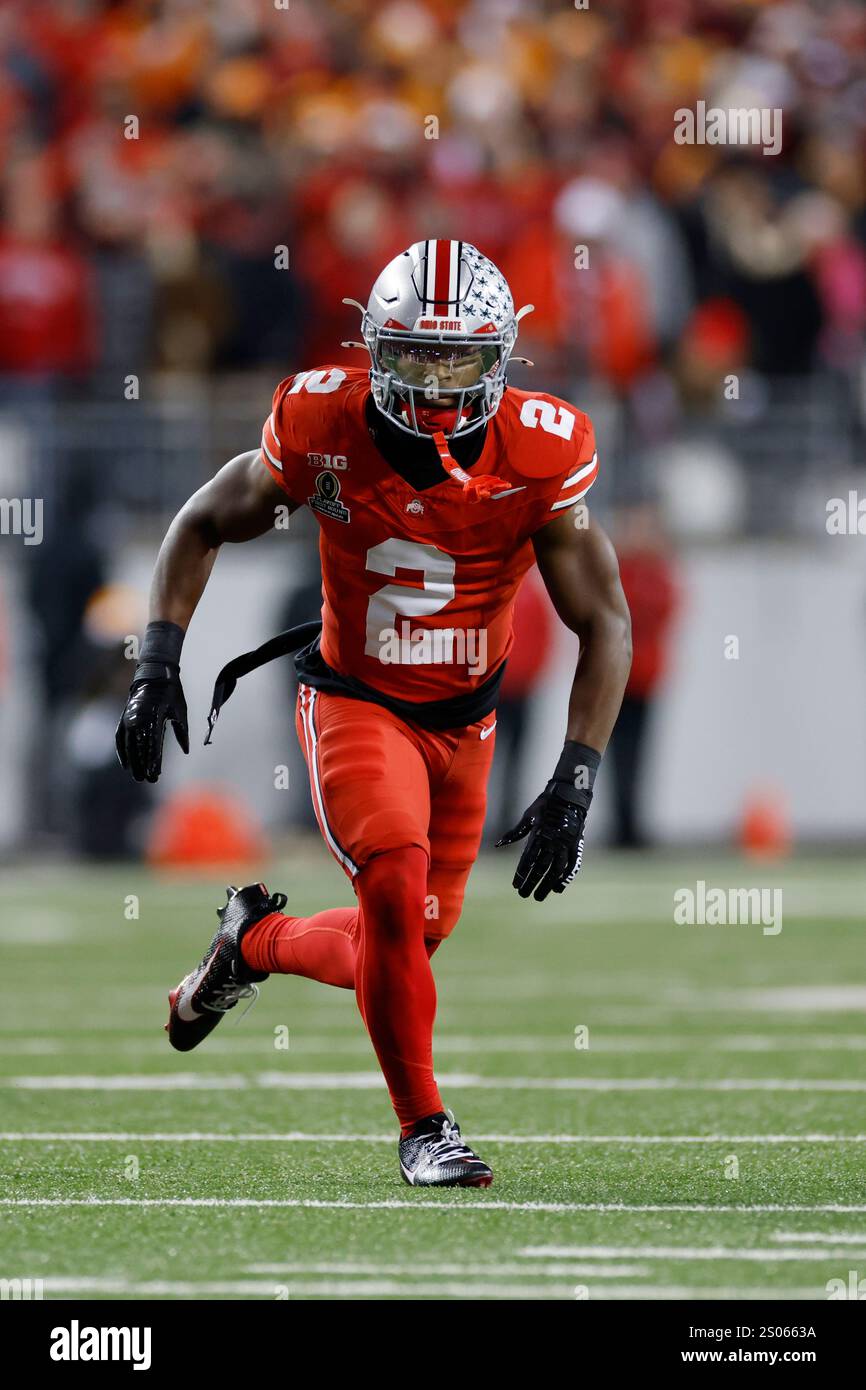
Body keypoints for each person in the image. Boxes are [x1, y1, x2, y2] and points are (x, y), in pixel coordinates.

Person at [115, 240, 631, 1188]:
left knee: (399, 953)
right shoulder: (320, 419)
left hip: (469, 723)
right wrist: (155, 665)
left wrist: (576, 775)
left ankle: (251, 943)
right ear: (374, 350)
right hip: (357, 700)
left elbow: (604, 620)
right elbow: (201, 520)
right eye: (414, 355)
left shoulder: (545, 447)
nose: (436, 380)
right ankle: (423, 1129)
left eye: (458, 356)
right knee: (391, 889)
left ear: (501, 358)